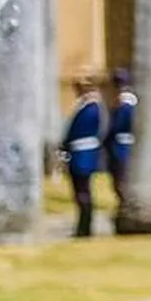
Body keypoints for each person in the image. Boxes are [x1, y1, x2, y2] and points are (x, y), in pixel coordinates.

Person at [61, 76, 106, 239]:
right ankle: (82, 225)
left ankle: (85, 227)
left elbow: (79, 131)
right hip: (79, 153)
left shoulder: (91, 107)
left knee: (83, 191)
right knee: (80, 191)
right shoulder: (85, 106)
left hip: (83, 153)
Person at [106, 68, 137, 200]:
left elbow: (116, 126)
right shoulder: (130, 104)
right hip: (123, 146)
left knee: (121, 180)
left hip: (121, 147)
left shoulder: (125, 105)